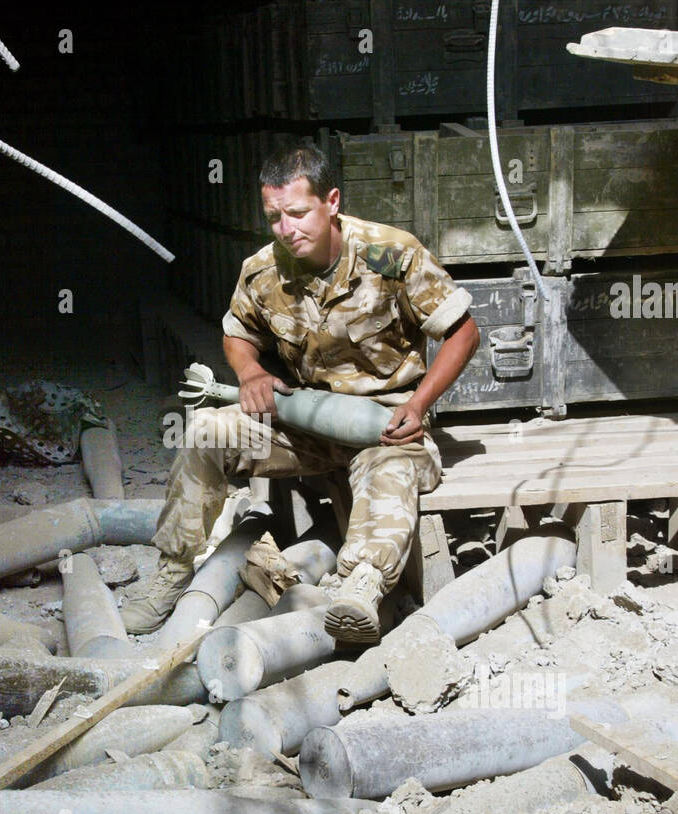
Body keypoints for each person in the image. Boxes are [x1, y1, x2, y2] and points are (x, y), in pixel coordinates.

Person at [121, 143, 480, 644]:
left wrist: (418, 406)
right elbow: (236, 332)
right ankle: (174, 568)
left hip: (385, 428)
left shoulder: (392, 255)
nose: (287, 229)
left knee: (394, 470)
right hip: (304, 425)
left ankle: (361, 587)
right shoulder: (264, 270)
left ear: (331, 201)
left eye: (297, 212)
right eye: (274, 218)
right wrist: (249, 373)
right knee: (206, 431)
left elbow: (463, 332)